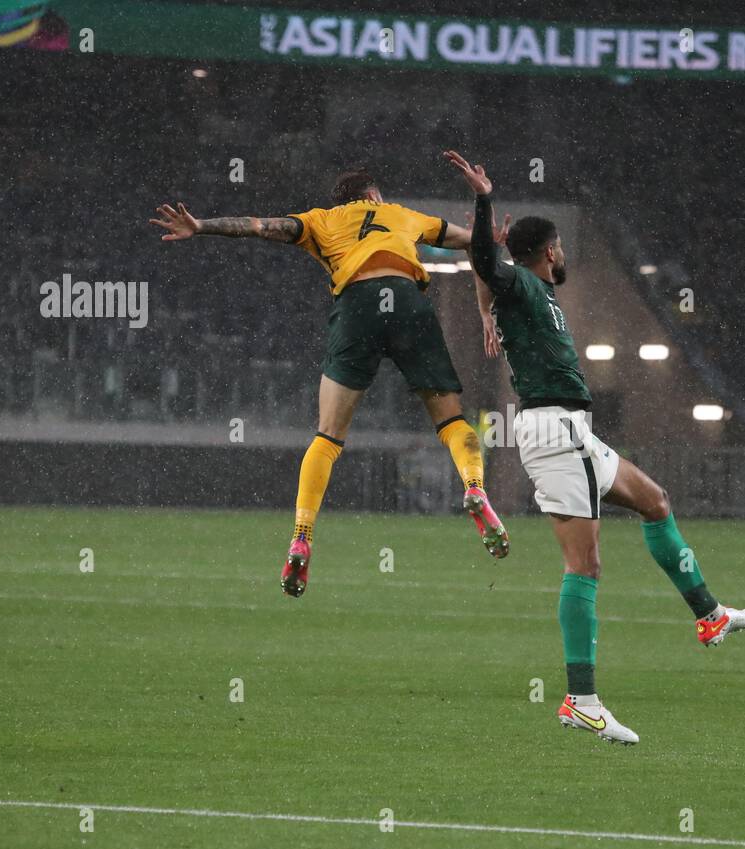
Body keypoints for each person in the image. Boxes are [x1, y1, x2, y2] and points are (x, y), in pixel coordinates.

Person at [446, 150, 745, 746]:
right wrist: (484, 200)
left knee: (657, 502)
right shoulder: (519, 281)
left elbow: (488, 277)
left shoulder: (533, 292)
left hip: (575, 433)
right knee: (584, 566)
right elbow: (484, 260)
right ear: (548, 251)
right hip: (552, 433)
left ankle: (709, 614)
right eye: (559, 248)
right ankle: (580, 699)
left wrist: (487, 305)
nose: (563, 255)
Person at [149, 169, 509, 600]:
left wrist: (202, 226)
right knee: (451, 420)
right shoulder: (399, 213)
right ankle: (474, 488)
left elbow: (262, 227)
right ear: (374, 195)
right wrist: (490, 224)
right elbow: (474, 240)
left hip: (357, 305)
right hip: (408, 301)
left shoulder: (321, 220)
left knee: (328, 436)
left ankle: (302, 535)